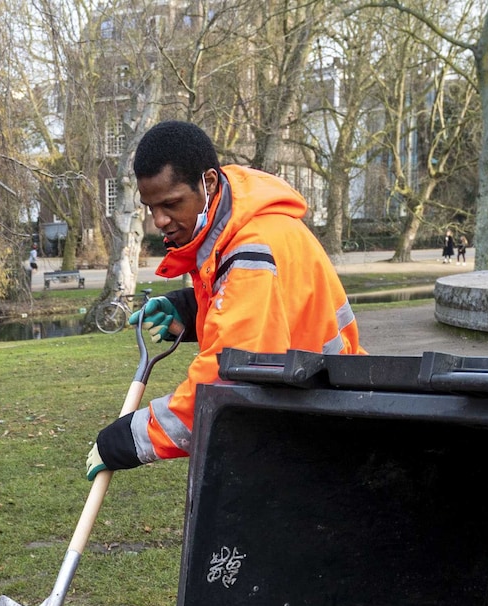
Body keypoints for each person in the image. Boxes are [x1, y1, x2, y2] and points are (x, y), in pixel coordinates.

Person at [86, 121, 362, 480]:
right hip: (308, 408)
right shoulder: (236, 225)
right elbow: (263, 315)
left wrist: (127, 439)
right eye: (150, 207)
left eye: (170, 204)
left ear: (209, 183)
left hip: (312, 424)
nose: (159, 221)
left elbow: (225, 382)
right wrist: (188, 310)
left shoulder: (252, 248)